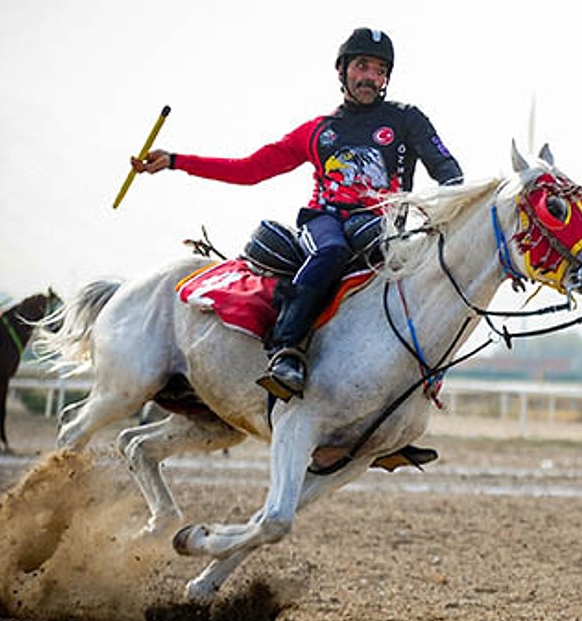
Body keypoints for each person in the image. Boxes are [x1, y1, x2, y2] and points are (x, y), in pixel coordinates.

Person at [131, 27, 463, 400]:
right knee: (333, 250)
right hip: (325, 222)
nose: (370, 76)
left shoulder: (407, 119)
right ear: (342, 71)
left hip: (381, 227)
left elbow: (447, 169)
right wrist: (176, 161)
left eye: (379, 69)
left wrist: (452, 207)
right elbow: (249, 169)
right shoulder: (317, 131)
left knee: (434, 275)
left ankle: (419, 384)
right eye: (362, 66)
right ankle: (285, 350)